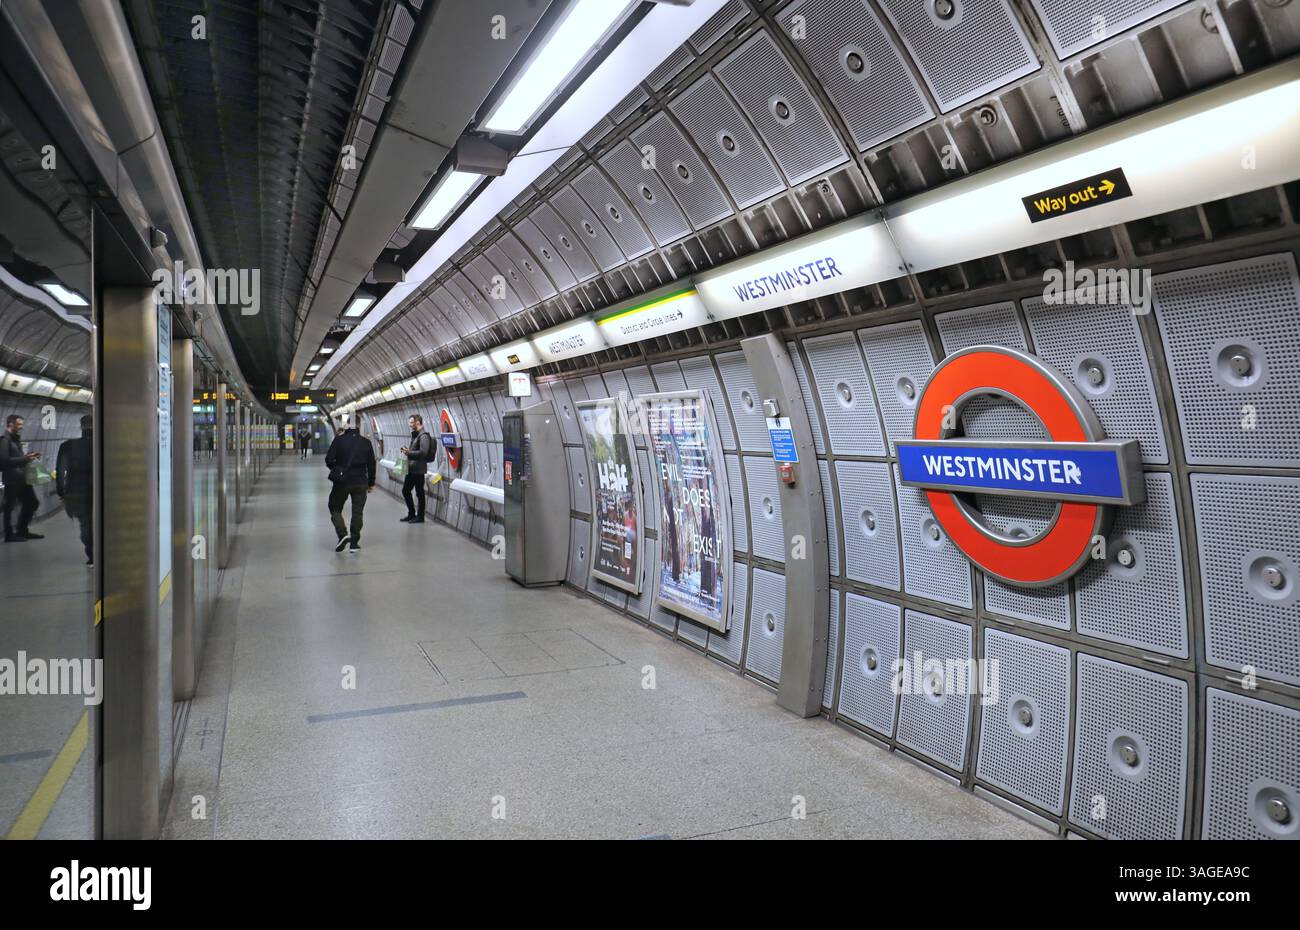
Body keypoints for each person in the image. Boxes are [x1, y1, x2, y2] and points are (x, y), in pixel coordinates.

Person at [324, 413, 375, 552]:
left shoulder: (338, 440)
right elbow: (371, 464)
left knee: (334, 507)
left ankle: (342, 534)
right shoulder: (366, 442)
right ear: (359, 425)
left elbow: (328, 459)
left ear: (346, 425)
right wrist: (371, 483)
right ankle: (354, 543)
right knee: (357, 512)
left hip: (343, 481)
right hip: (361, 481)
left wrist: (336, 469)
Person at [56, 414, 94, 564]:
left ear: (80, 426)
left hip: (76, 491)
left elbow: (60, 470)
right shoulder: (107, 443)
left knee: (85, 523)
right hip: (102, 492)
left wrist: (61, 491)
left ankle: (91, 554)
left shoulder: (67, 446)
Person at [1, 414, 44, 542]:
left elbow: (17, 458)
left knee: (32, 502)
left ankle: (22, 530)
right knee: (9, 507)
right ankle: (9, 535)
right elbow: (4, 461)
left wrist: (30, 456)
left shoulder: (15, 440)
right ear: (10, 424)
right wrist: (26, 459)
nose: (21, 427)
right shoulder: (4, 440)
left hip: (22, 479)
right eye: (19, 424)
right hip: (12, 479)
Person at [399, 414, 434, 523]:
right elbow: (415, 450)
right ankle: (411, 514)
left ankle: (420, 516)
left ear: (417, 423)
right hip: (411, 468)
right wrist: (407, 451)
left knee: (419, 493)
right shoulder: (415, 435)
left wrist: (409, 452)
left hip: (418, 470)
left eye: (411, 422)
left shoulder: (423, 436)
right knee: (405, 490)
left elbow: (423, 452)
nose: (409, 425)